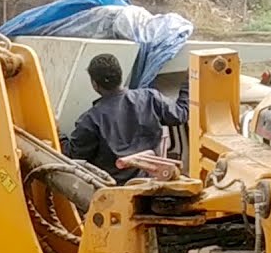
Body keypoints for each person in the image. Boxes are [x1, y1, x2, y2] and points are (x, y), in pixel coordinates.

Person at [64, 53, 188, 184]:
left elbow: (73, 156)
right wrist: (190, 80)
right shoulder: (150, 98)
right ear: (120, 76)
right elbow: (181, 114)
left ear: (94, 84)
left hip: (113, 190)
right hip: (151, 184)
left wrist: (59, 134)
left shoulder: (90, 121)